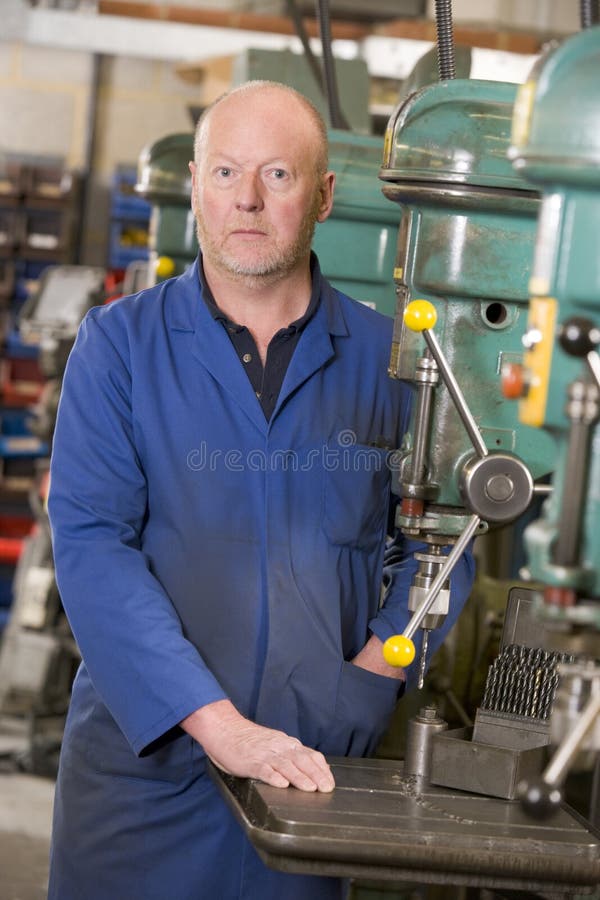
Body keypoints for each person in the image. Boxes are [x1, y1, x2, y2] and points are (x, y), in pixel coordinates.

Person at [47, 81, 475, 900]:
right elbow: (95, 551)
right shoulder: (120, 347)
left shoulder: (391, 363)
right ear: (198, 185)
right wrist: (219, 728)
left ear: (322, 197)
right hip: (144, 776)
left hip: (311, 768)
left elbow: (438, 542)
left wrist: (382, 664)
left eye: (276, 176)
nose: (245, 199)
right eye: (224, 172)